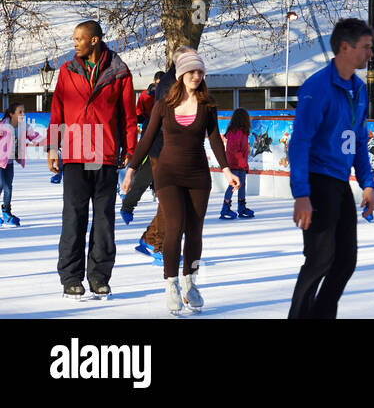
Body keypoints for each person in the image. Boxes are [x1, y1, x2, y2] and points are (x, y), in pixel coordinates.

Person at [123, 48, 237, 315]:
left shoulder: (208, 106)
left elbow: (214, 139)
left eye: (200, 72)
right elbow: (147, 139)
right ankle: (171, 285)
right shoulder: (163, 105)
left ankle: (190, 283)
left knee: (195, 232)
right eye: (191, 71)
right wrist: (130, 170)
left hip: (198, 175)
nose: (196, 76)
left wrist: (227, 169)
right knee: (174, 227)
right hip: (168, 174)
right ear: (181, 73)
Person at [287, 18, 374, 320]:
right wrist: (301, 194)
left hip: (339, 184)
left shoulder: (359, 89)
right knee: (319, 260)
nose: (370, 53)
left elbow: (359, 141)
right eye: (365, 47)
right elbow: (299, 143)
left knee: (345, 261)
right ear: (344, 47)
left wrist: (367, 183)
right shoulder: (317, 88)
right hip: (316, 181)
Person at [50, 20, 137, 300]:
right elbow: (57, 111)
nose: (74, 42)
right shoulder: (66, 71)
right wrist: (53, 147)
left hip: (105, 153)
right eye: (74, 38)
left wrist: (131, 152)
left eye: (79, 38)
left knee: (104, 220)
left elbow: (129, 115)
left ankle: (99, 277)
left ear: (95, 40)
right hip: (75, 153)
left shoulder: (120, 72)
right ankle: (71, 277)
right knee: (73, 217)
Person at [121, 69, 166, 225]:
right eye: (158, 84)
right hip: (152, 139)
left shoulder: (170, 97)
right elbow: (138, 112)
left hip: (166, 145)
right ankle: (127, 206)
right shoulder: (148, 95)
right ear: (154, 82)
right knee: (143, 178)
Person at [0, 103, 46, 226]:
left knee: (7, 186)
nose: (23, 114)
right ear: (11, 114)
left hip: (8, 162)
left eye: (23, 111)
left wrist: (48, 144)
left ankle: (6, 211)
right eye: (20, 112)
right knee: (5, 187)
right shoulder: (3, 126)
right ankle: (6, 212)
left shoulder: (23, 127)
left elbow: (35, 136)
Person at [220, 108, 253, 219]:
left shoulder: (242, 132)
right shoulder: (236, 132)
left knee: (242, 185)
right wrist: (243, 162)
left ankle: (242, 207)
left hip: (241, 165)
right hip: (235, 165)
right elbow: (234, 150)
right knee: (233, 186)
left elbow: (242, 149)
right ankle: (225, 208)